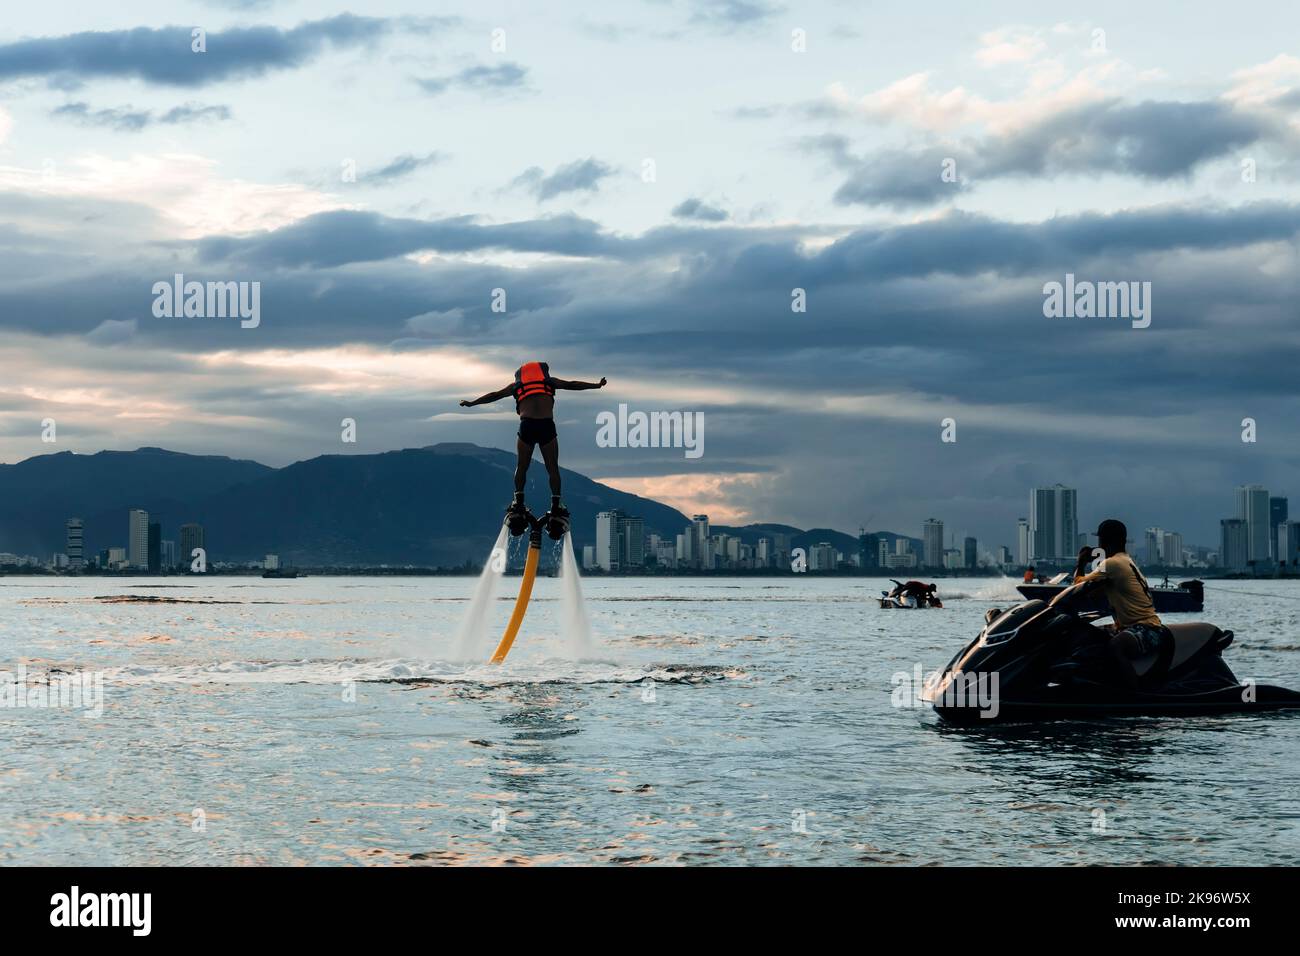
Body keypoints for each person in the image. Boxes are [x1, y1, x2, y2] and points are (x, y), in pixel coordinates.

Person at [459, 361, 607, 520]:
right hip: (546, 426)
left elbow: (493, 395)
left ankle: (518, 501)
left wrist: (471, 403)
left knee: (522, 466)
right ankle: (556, 503)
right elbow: (573, 384)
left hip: (527, 426)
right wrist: (596, 385)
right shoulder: (549, 381)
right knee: (552, 468)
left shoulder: (515, 386)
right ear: (543, 372)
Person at [1072, 519, 1170, 690]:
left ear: (1106, 542)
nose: (1098, 544)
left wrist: (1081, 563)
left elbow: (1078, 587)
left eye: (1100, 540)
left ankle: (1133, 694)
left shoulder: (1111, 564)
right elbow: (1094, 593)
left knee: (1116, 646)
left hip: (1147, 629)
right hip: (1131, 627)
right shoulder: (1124, 560)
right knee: (1087, 635)